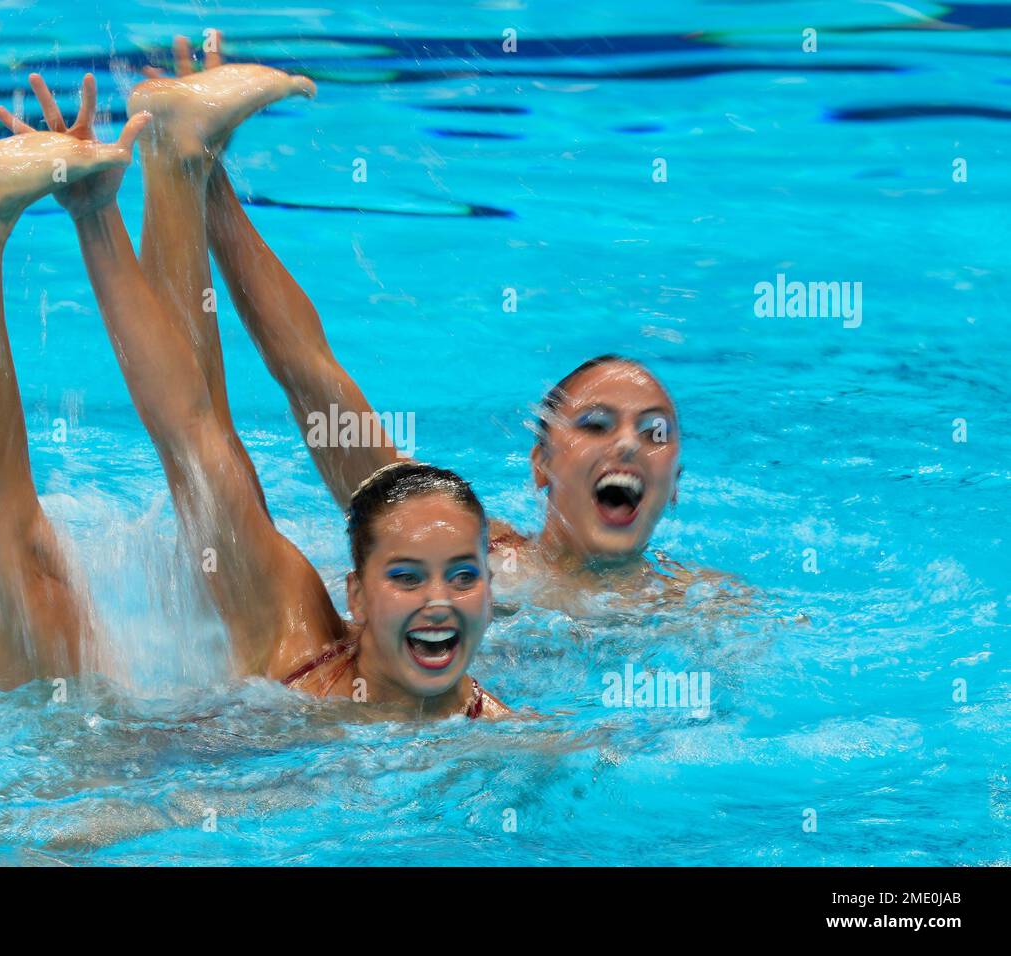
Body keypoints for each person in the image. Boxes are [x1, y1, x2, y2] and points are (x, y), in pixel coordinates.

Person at [0, 63, 507, 719]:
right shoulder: (297, 633)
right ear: (358, 597)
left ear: (490, 592)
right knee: (24, 582)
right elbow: (188, 425)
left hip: (158, 782)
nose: (439, 602)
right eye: (406, 577)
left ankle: (177, 157)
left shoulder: (513, 740)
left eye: (463, 577)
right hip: (125, 769)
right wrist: (96, 218)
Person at [170, 34, 721, 615]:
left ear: (677, 481)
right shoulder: (457, 551)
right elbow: (310, 373)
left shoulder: (711, 611)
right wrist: (208, 184)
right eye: (596, 424)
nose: (629, 444)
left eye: (655, 432)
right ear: (542, 464)